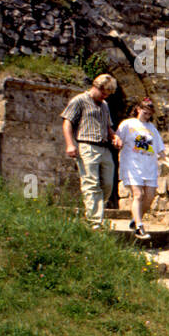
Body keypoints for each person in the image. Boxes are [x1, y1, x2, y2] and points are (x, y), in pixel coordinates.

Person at [61, 74, 123, 229]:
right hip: (87, 146)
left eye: (107, 94)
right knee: (91, 184)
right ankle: (95, 222)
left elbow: (108, 127)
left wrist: (115, 137)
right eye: (103, 93)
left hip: (104, 148)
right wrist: (70, 144)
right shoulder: (79, 100)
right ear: (96, 86)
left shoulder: (104, 105)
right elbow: (67, 122)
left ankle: (94, 214)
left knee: (107, 184)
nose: (105, 96)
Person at [116, 98, 167, 241]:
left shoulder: (152, 128)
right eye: (145, 113)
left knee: (149, 197)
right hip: (132, 165)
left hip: (149, 167)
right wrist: (117, 142)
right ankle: (139, 227)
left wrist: (166, 158)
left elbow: (159, 148)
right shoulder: (127, 124)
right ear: (138, 109)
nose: (147, 116)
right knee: (138, 195)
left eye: (150, 114)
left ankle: (136, 218)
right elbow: (117, 137)